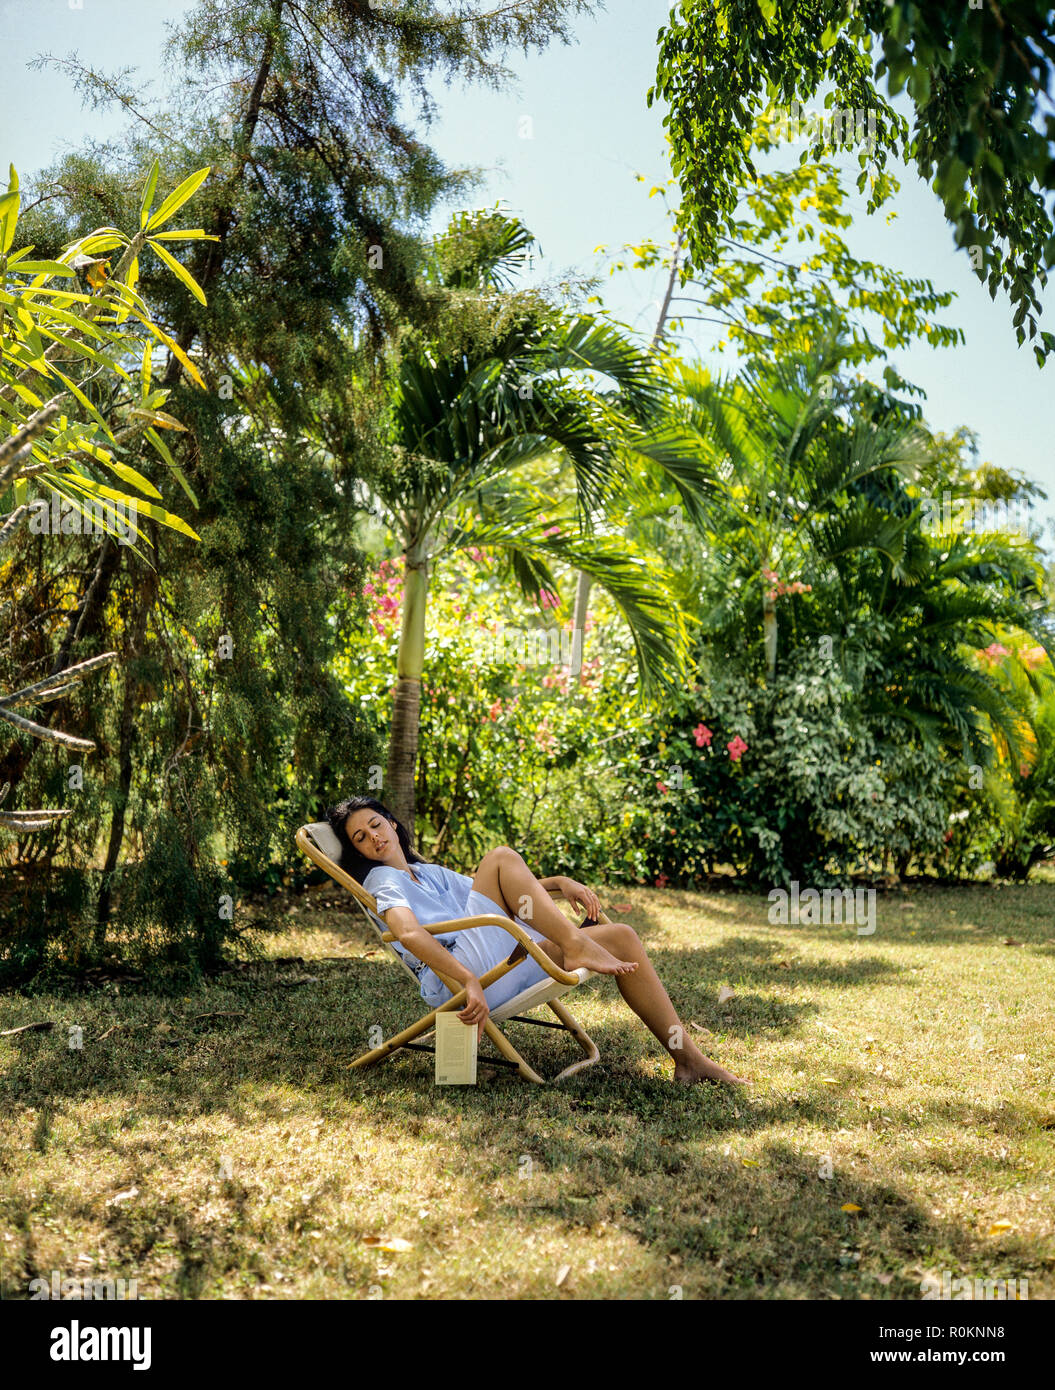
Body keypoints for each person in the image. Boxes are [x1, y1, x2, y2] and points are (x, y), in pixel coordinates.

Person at [327, 795, 749, 1086]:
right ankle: (573, 942)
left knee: (622, 936)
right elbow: (406, 931)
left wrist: (559, 884)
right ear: (358, 853)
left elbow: (503, 893)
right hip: (459, 976)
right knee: (500, 857)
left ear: (393, 824)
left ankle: (689, 1059)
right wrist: (467, 982)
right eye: (360, 838)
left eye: (375, 825)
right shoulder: (383, 880)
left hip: (494, 957)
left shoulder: (429, 873)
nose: (373, 837)